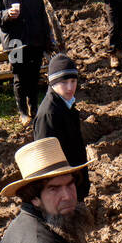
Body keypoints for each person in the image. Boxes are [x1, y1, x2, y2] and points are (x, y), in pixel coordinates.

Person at [33, 53, 90, 200]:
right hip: (62, 191)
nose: (70, 87)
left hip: (73, 183)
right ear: (53, 83)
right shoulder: (49, 114)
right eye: (64, 82)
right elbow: (46, 160)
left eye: (73, 81)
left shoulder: (66, 105)